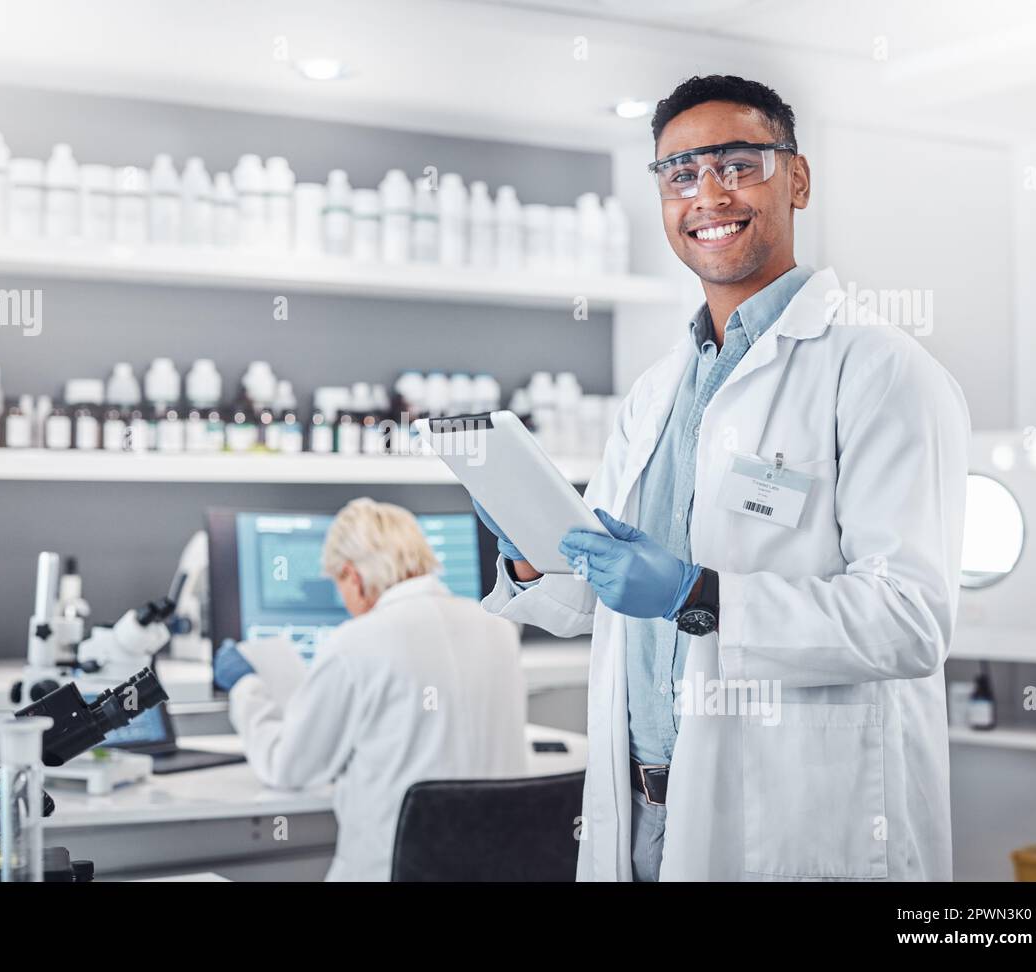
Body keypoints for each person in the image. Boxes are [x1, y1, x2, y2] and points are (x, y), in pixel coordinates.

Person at [475, 75, 968, 881]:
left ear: (796, 179)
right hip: (640, 815)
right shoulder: (656, 391)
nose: (707, 193)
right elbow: (600, 597)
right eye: (680, 174)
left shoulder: (882, 372)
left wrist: (698, 595)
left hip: (796, 819)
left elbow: (909, 620)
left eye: (738, 164)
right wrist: (535, 550)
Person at [214, 497, 528, 881]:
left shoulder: (357, 641)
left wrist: (246, 687)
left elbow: (288, 767)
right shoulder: (498, 629)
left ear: (353, 576)